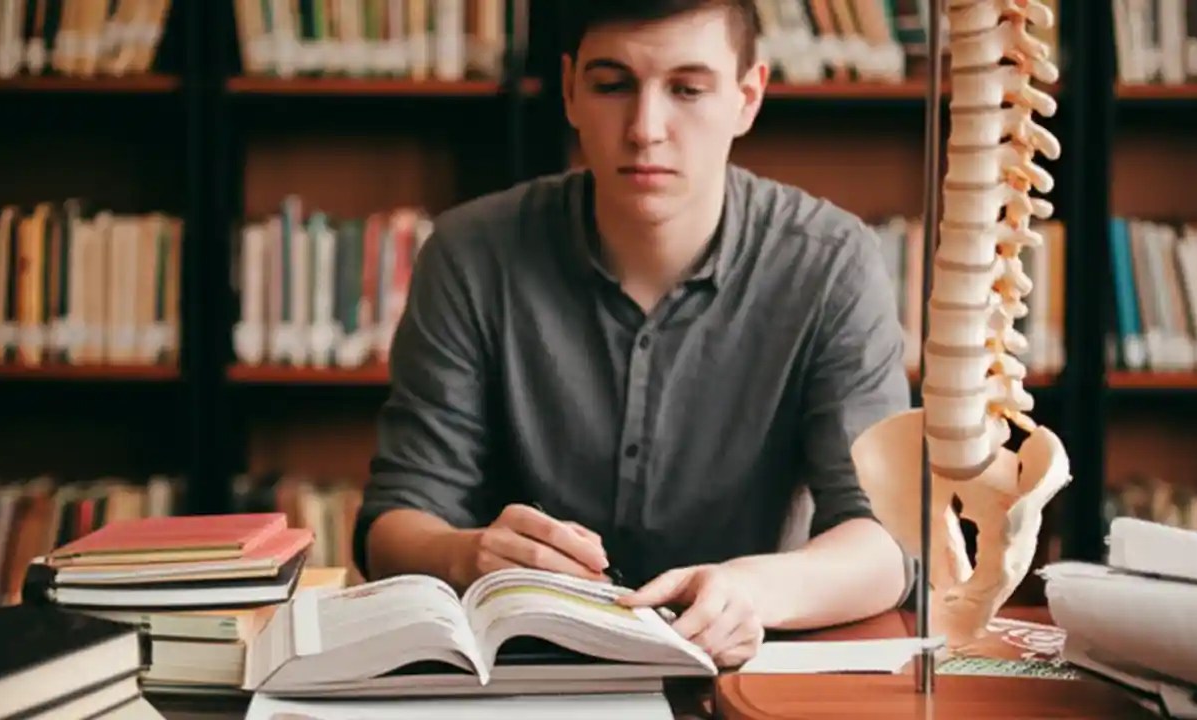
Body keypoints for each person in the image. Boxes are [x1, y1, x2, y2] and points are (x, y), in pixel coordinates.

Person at [353, 0, 913, 668]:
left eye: (687, 89)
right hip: (521, 674)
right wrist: (464, 553)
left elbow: (884, 541)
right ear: (568, 92)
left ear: (747, 97)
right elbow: (393, 521)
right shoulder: (469, 254)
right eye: (612, 85)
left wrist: (753, 590)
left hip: (740, 668)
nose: (646, 129)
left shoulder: (831, 262)